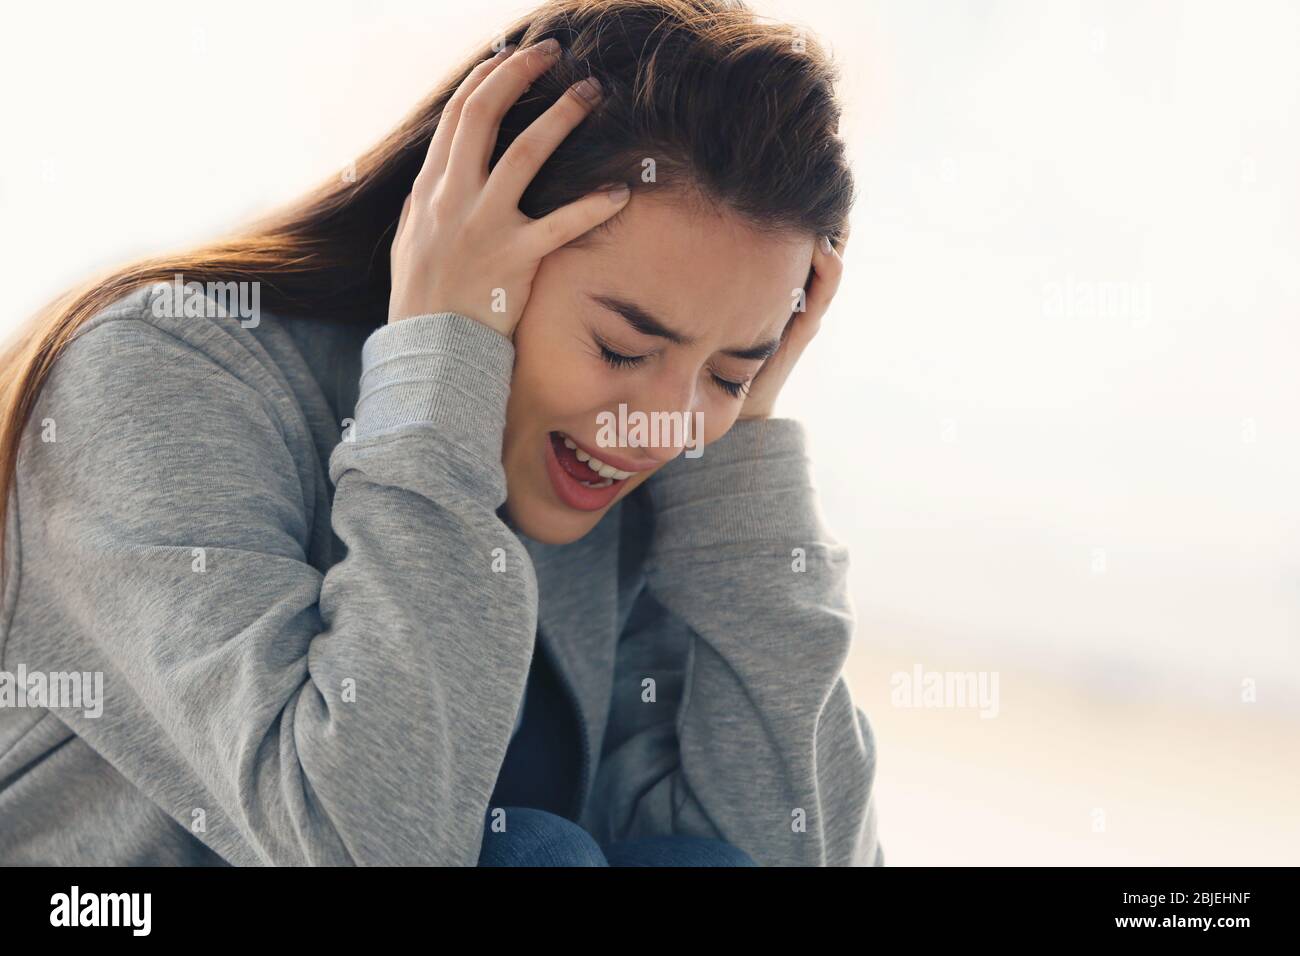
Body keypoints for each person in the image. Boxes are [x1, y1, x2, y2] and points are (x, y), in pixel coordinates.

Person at [0, 0, 882, 866]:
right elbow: (362, 849)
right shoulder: (161, 370)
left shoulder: (660, 477)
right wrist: (442, 372)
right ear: (470, 246)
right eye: (621, 348)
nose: (669, 427)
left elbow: (795, 852)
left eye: (734, 372)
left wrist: (744, 482)